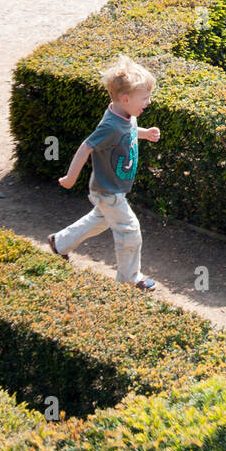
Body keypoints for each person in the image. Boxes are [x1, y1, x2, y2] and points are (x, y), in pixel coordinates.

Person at [49, 54, 161, 291]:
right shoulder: (110, 125)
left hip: (112, 188)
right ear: (125, 98)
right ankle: (129, 280)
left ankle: (59, 243)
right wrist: (70, 178)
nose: (148, 102)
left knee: (99, 220)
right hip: (108, 190)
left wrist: (145, 133)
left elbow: (128, 131)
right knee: (129, 230)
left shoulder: (126, 113)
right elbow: (86, 147)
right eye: (145, 98)